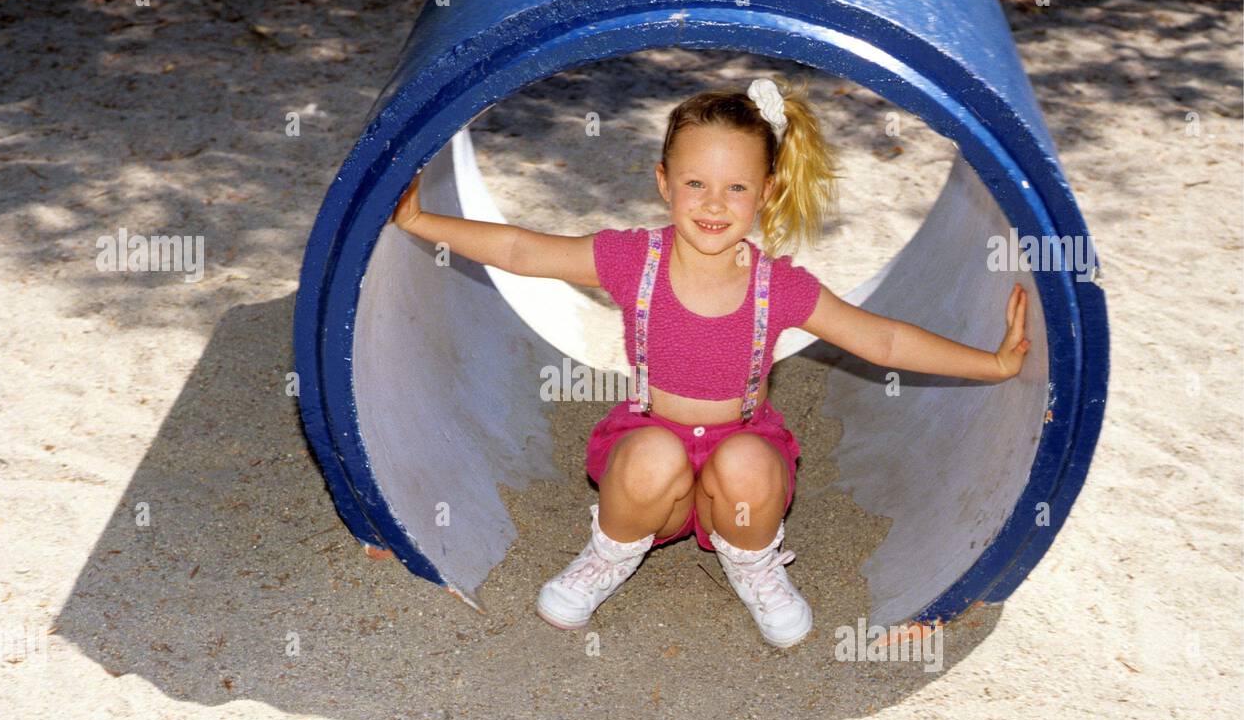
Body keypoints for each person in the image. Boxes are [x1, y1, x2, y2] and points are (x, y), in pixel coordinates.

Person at [392, 75, 1030, 648]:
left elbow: (883, 342)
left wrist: (992, 363)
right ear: (664, 181)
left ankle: (752, 563)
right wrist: (421, 220)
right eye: (695, 183)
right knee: (650, 456)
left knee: (747, 462)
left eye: (736, 187)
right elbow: (521, 249)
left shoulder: (779, 287)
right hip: (655, 463)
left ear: (766, 192)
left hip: (737, 466)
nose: (713, 204)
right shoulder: (631, 260)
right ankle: (609, 554)